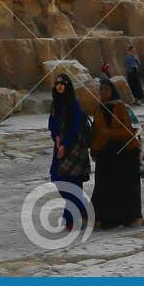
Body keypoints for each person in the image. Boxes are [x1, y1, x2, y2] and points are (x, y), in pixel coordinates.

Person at [88, 78, 143, 229]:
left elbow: (130, 131)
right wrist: (94, 150)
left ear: (112, 91)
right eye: (101, 90)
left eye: (106, 90)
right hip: (105, 155)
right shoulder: (98, 109)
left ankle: (132, 218)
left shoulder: (122, 108)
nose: (103, 93)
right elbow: (96, 132)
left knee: (126, 187)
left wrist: (109, 133)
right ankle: (107, 219)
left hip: (124, 153)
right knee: (104, 188)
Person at [48, 74, 91, 231]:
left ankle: (76, 217)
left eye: (62, 83)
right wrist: (56, 137)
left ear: (67, 85)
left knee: (71, 182)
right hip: (60, 145)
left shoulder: (73, 103)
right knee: (59, 180)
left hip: (74, 147)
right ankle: (78, 215)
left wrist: (64, 145)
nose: (59, 86)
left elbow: (74, 127)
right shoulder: (55, 104)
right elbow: (52, 124)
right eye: (57, 83)